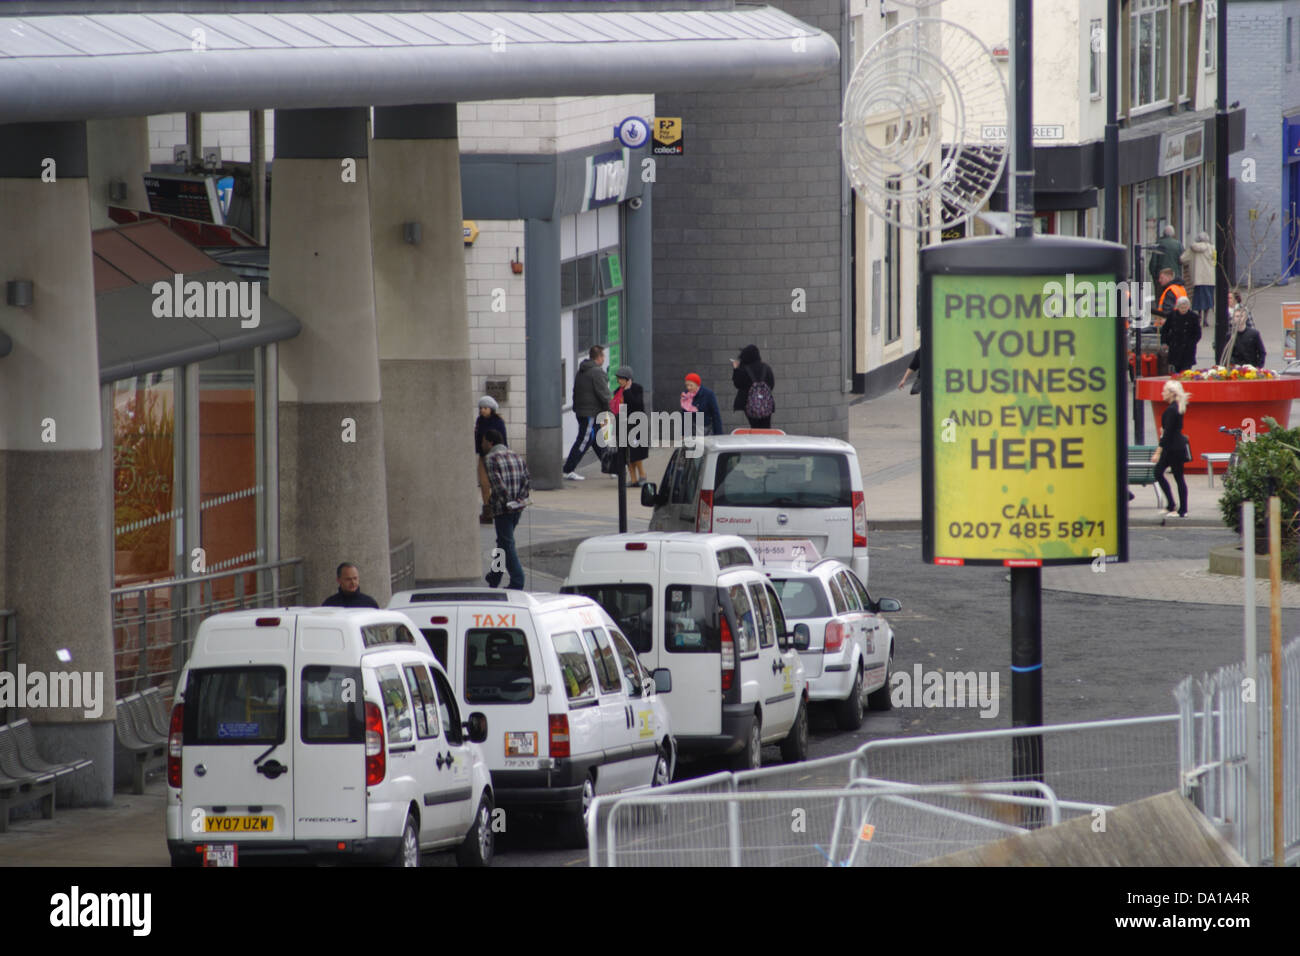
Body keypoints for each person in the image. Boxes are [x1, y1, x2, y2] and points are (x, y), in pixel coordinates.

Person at [482, 430, 530, 589]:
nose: (482, 445)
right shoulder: (517, 456)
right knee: (503, 542)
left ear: (490, 443)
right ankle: (494, 576)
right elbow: (526, 480)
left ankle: (518, 580)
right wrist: (519, 500)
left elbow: (497, 484)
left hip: (503, 509)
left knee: (507, 544)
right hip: (518, 507)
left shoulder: (490, 459)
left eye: (483, 442)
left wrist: (507, 502)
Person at [562, 345, 611, 480]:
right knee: (584, 440)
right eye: (603, 356)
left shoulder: (581, 371)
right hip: (591, 413)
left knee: (597, 439)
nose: (604, 359)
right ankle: (568, 469)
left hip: (583, 412)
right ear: (599, 357)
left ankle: (611, 466)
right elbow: (604, 395)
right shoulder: (597, 372)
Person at [1151, 380, 1190, 519]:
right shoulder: (1176, 407)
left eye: (1165, 391)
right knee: (1162, 473)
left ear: (1172, 394)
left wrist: (1158, 452)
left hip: (1172, 448)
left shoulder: (1171, 410)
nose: (1162, 393)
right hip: (1174, 447)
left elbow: (1167, 434)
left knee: (1174, 476)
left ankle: (1181, 509)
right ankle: (1173, 505)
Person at [613, 366, 649, 486]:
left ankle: (642, 475)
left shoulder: (637, 388)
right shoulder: (617, 391)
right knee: (626, 453)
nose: (619, 381)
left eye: (621, 379)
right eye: (618, 379)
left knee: (636, 452)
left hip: (636, 424)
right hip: (623, 424)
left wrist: (627, 391)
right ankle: (633, 478)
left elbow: (637, 404)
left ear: (627, 379)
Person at [474, 395, 506, 525]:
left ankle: (497, 508)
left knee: (496, 482)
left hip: (496, 455)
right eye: (481, 408)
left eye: (485, 408)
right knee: (484, 483)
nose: (482, 410)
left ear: (491, 409)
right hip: (483, 455)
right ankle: (487, 510)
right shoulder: (479, 421)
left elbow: (503, 438)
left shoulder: (498, 421)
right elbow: (477, 437)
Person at [731, 344, 775, 428]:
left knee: (755, 427)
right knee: (766, 428)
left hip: (748, 404)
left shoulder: (743, 369)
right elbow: (772, 385)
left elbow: (737, 384)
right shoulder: (766, 368)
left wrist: (736, 369)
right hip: (766, 404)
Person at [1180, 232, 1216, 328]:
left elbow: (1182, 259)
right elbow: (1215, 261)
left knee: (1199, 299)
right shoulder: (1212, 248)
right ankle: (1205, 319)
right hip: (1209, 278)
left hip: (1198, 278)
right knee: (1209, 299)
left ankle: (1199, 317)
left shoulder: (1193, 249)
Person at [1165, 296, 1201, 373]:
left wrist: (1192, 342)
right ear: (1178, 307)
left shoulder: (1193, 316)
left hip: (1188, 348)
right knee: (1176, 369)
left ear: (1188, 306)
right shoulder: (1172, 315)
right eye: (1181, 307)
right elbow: (1165, 329)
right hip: (1175, 347)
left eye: (1185, 307)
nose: (1183, 309)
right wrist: (1167, 342)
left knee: (1186, 370)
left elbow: (1198, 332)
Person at [681, 372, 723, 437]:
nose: (688, 387)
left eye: (691, 385)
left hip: (705, 428)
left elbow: (715, 414)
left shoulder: (708, 394)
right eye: (687, 385)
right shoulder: (686, 395)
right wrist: (684, 433)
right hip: (692, 428)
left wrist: (719, 434)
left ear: (697, 384)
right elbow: (685, 415)